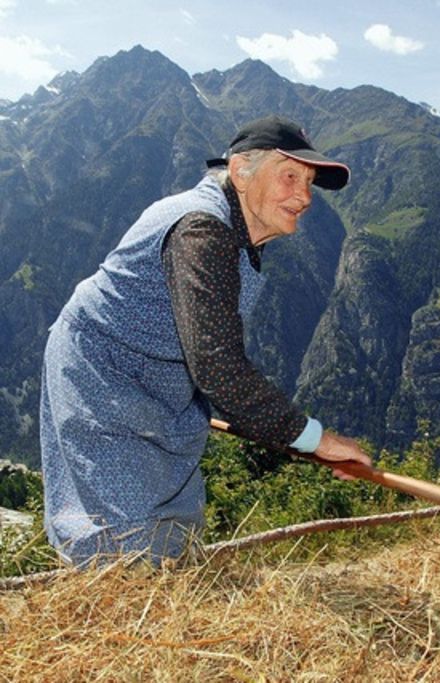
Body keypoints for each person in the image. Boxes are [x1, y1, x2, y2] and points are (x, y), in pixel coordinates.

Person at [39, 115, 372, 567]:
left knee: (173, 521)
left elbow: (210, 347)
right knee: (122, 537)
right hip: (99, 373)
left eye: (309, 182)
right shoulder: (203, 231)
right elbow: (217, 365)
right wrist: (315, 438)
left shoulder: (235, 226)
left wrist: (297, 438)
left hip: (156, 376)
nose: (304, 197)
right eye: (290, 176)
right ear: (240, 171)